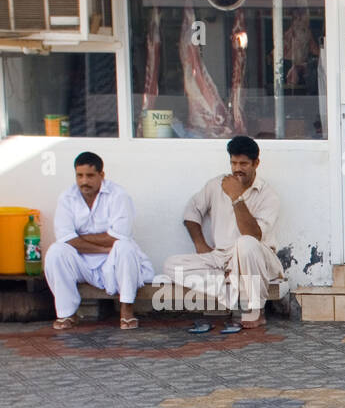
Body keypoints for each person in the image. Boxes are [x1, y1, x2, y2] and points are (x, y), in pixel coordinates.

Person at [163, 135, 284, 333]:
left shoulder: (268, 195)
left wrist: (236, 197)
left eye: (243, 163)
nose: (237, 168)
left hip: (257, 257)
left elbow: (253, 235)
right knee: (171, 265)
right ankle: (232, 283)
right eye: (233, 163)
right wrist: (200, 244)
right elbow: (191, 212)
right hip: (221, 257)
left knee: (245, 243)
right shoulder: (215, 185)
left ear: (256, 163)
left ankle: (256, 310)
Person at [45, 151, 155, 331]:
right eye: (79, 176)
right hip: (82, 262)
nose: (84, 181)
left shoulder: (118, 195)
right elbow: (65, 239)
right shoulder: (67, 197)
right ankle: (67, 313)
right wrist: (103, 245)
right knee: (56, 251)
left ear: (101, 175)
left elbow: (118, 236)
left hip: (113, 262)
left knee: (125, 247)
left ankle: (127, 311)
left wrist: (80, 239)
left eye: (89, 175)